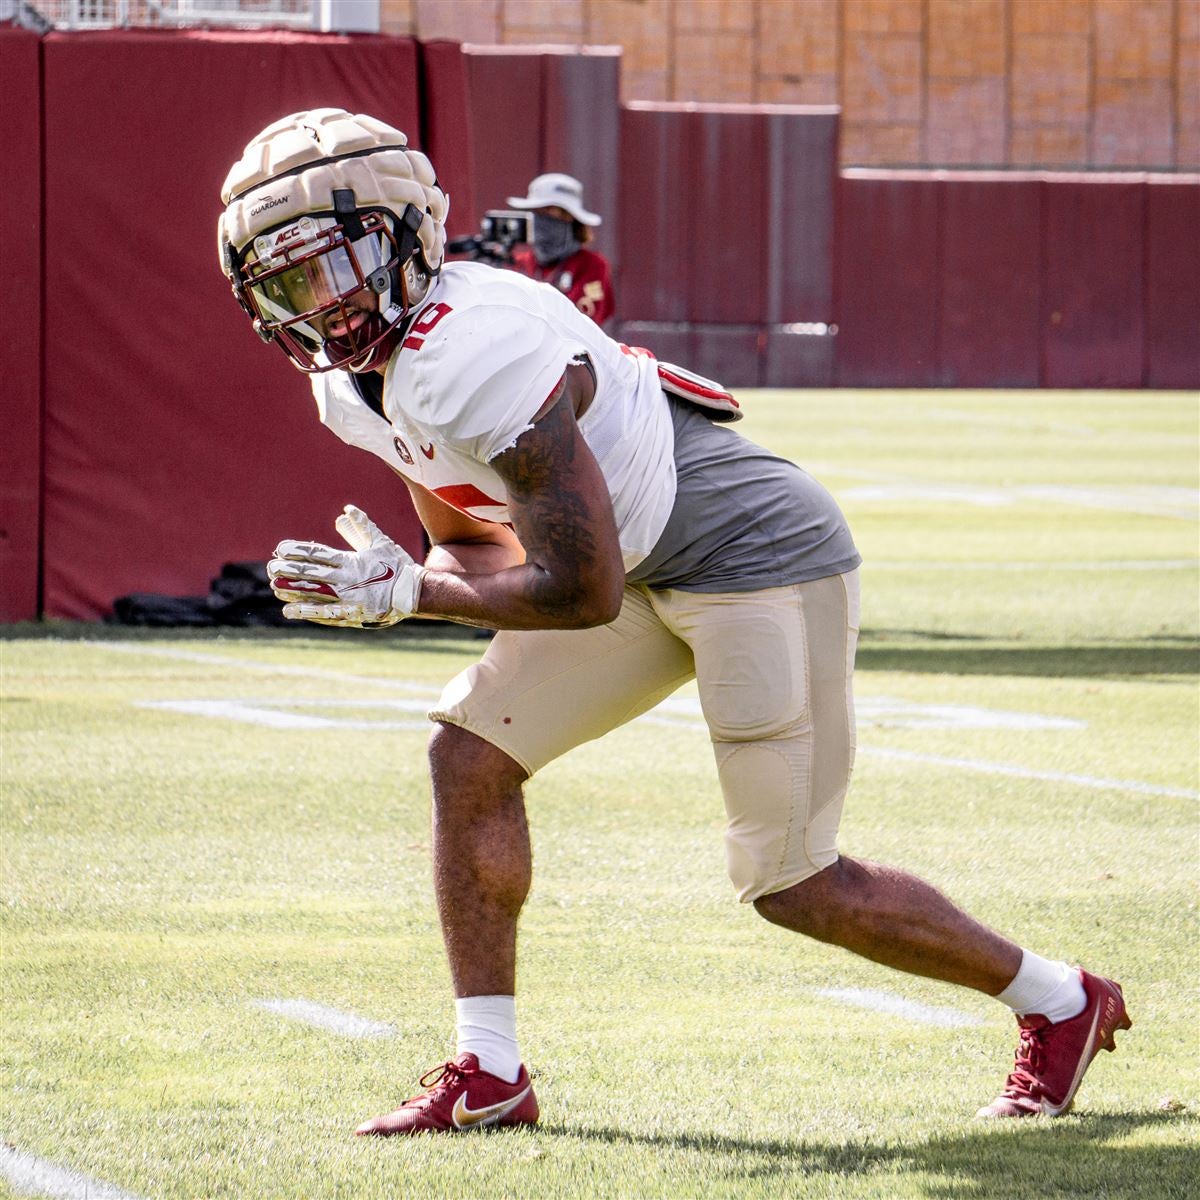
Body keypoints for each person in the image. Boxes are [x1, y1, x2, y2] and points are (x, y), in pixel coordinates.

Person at [217, 108, 1130, 1137]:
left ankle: (1060, 999)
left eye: (342, 265)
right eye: (292, 284)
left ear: (411, 235)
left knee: (791, 882)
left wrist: (407, 598)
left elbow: (579, 593)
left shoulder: (469, 347)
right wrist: (406, 572)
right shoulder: (353, 389)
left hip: (747, 557)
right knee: (467, 756)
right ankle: (491, 1072)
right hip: (629, 565)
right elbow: (476, 545)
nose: (324, 305)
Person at [506, 172, 614, 326]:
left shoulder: (592, 265)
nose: (541, 221)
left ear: (570, 218)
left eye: (550, 212)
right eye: (536, 212)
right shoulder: (517, 262)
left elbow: (581, 326)